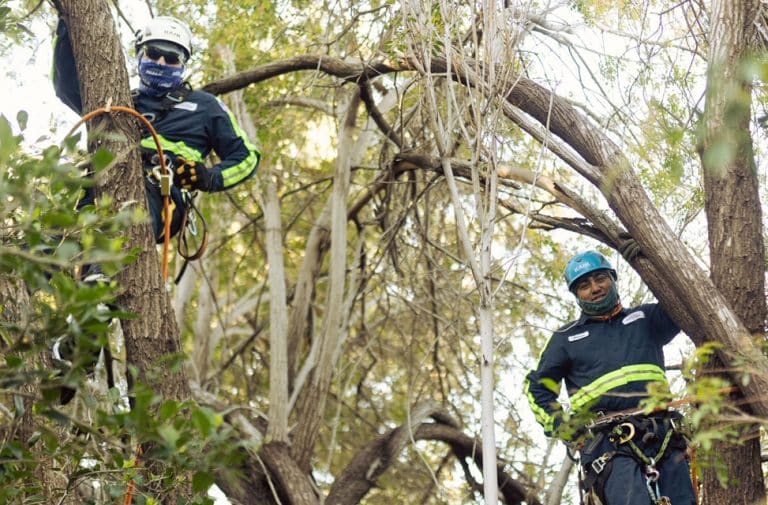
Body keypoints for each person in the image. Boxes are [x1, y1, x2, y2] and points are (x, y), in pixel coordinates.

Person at [50, 15, 261, 403]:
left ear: (183, 64)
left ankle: (88, 318)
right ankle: (51, 336)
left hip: (159, 199)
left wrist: (209, 176)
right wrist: (67, 24)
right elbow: (67, 86)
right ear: (140, 55)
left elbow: (247, 156)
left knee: (113, 249)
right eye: (154, 55)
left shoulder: (205, 107)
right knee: (48, 241)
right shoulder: (116, 95)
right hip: (97, 196)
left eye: (171, 58)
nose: (161, 64)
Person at [524, 250, 696, 505]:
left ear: (613, 280)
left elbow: (687, 298)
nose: (595, 288)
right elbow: (536, 387)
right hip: (609, 444)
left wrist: (646, 259)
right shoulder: (567, 339)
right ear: (575, 295)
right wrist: (565, 427)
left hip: (664, 435)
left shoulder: (646, 319)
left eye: (601, 278)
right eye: (584, 285)